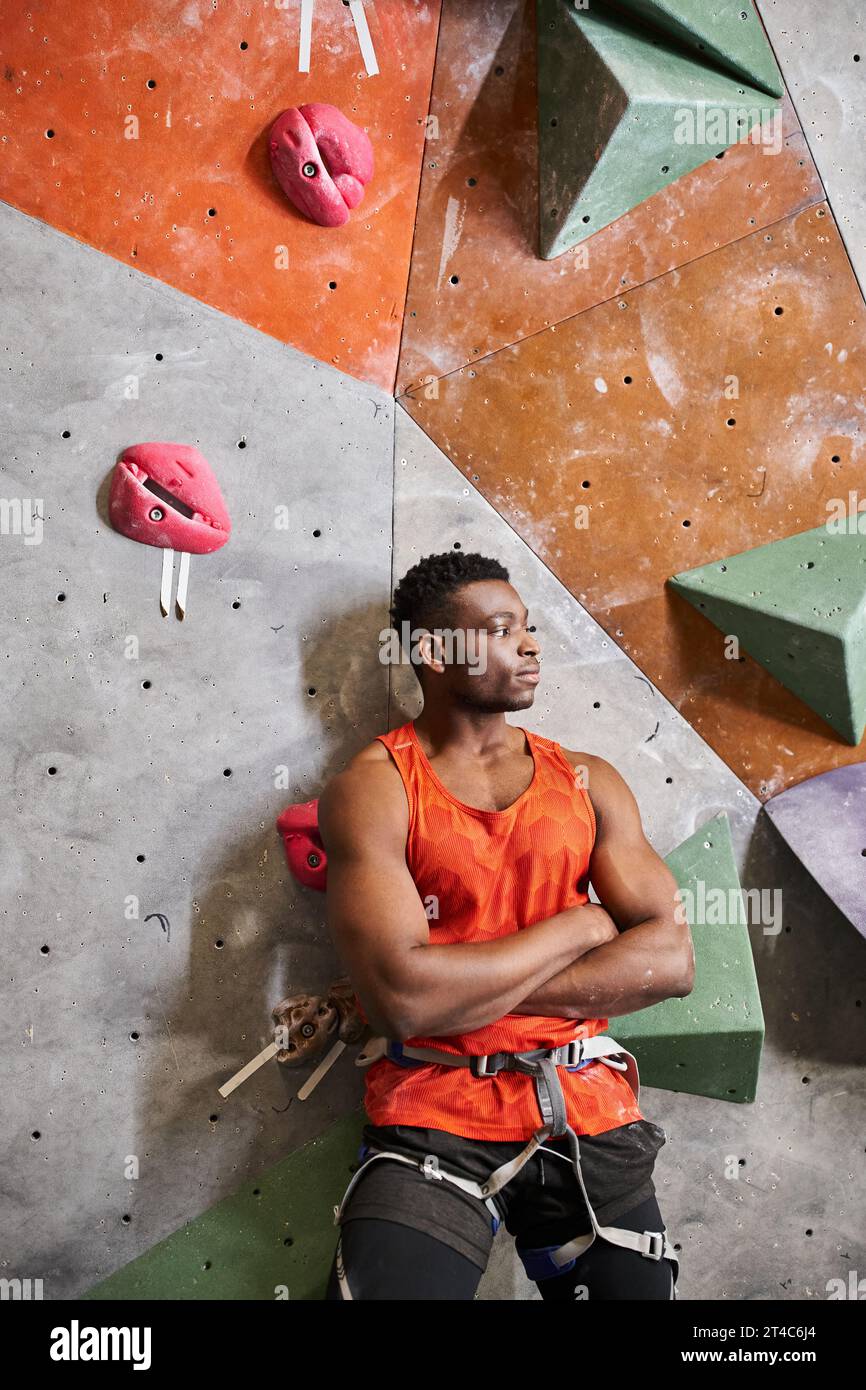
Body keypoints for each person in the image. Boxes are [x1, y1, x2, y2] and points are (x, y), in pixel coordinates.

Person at [318, 551, 694, 1300]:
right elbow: (403, 1002)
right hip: (433, 1112)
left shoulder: (589, 781)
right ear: (432, 652)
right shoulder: (375, 788)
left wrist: (459, 982)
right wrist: (581, 926)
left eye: (529, 628)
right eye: (500, 630)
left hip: (582, 1108)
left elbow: (672, 960)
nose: (530, 645)